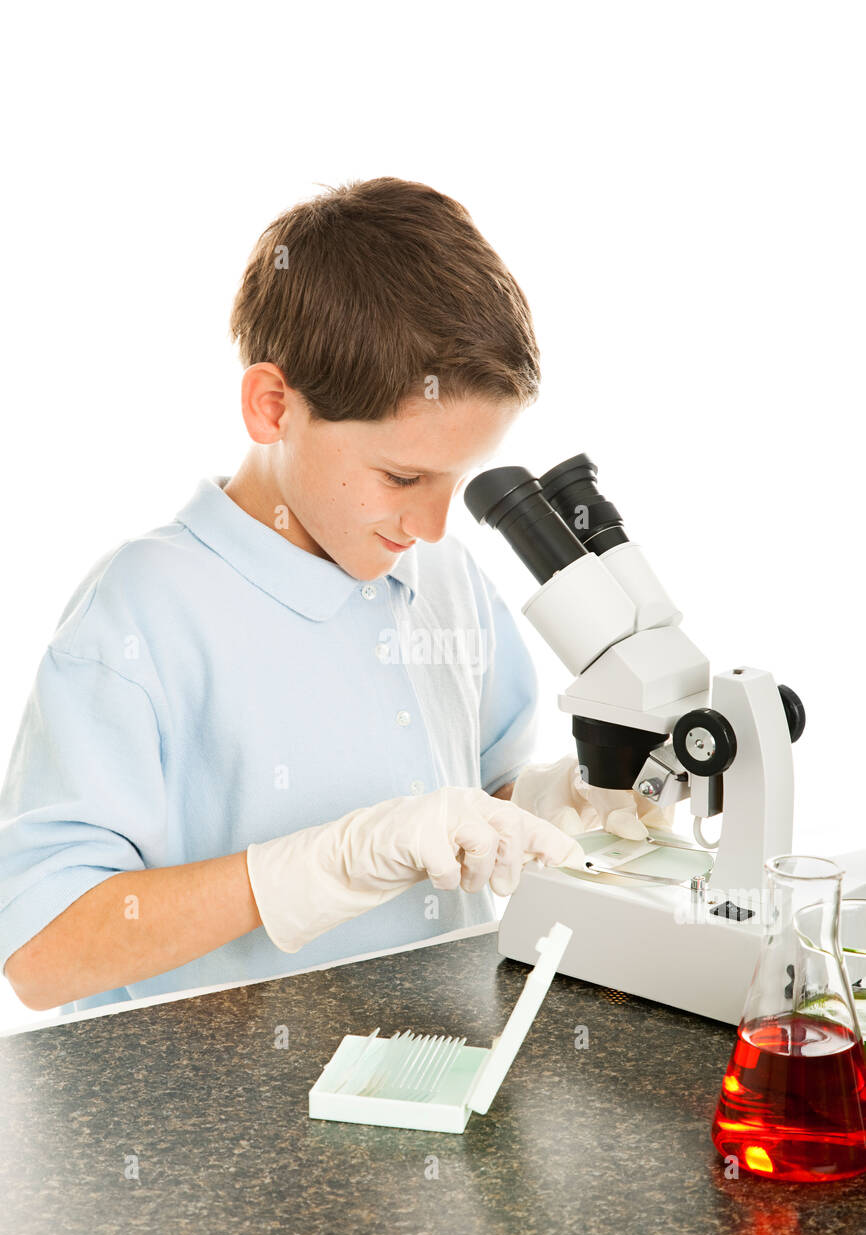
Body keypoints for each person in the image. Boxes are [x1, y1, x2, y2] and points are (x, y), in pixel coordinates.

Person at [0, 177, 658, 1018]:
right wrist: (314, 867)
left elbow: (470, 791)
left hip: (431, 1074)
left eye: (458, 480)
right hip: (216, 1128)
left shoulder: (442, 577)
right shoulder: (141, 616)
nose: (430, 522)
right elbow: (42, 954)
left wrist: (541, 804)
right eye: (402, 475)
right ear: (273, 405)